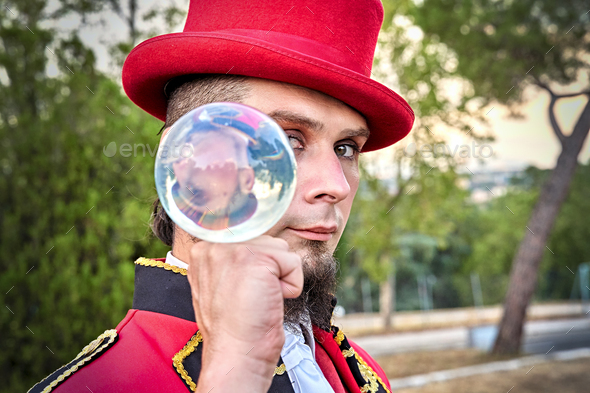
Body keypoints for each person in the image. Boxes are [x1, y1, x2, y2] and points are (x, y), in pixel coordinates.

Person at [29, 0, 414, 392]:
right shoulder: (99, 386)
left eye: (346, 148)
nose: (338, 185)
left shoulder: (360, 373)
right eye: (288, 139)